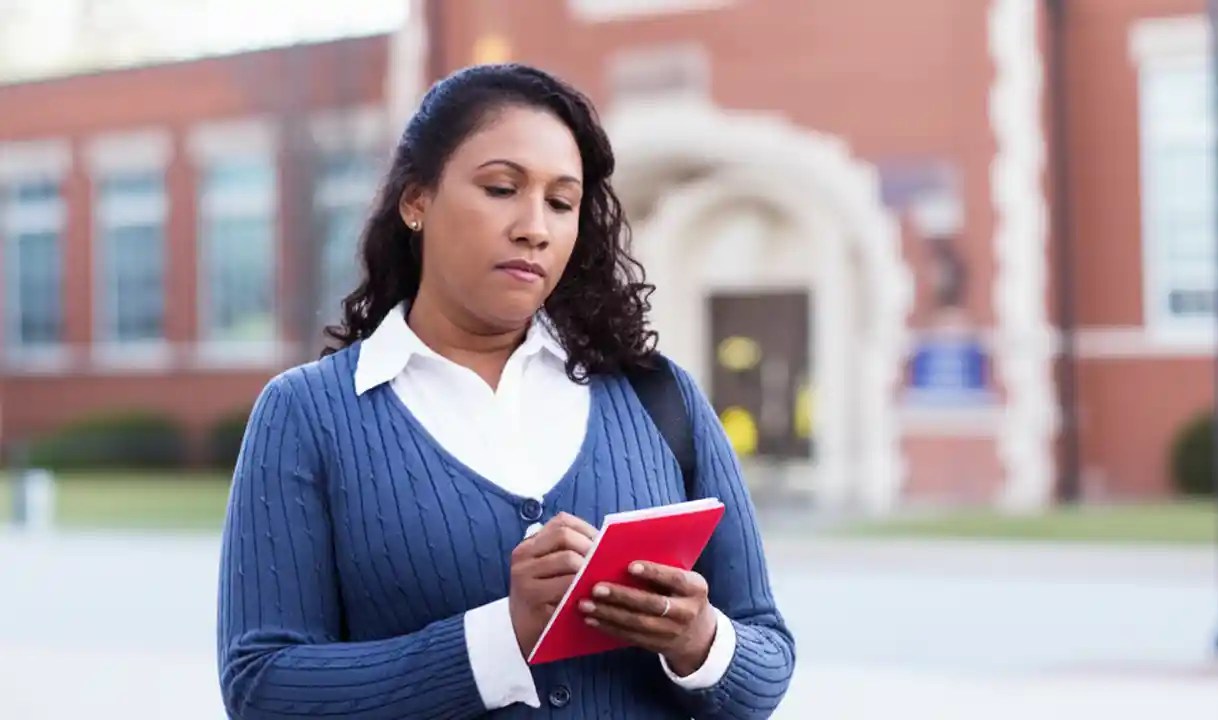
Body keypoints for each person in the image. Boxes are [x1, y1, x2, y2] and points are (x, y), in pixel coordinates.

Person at [216, 63, 795, 719]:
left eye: (561, 203)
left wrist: (698, 641)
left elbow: (766, 663)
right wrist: (502, 639)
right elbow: (262, 688)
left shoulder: (659, 399)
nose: (534, 228)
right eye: (501, 188)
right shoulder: (307, 415)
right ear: (417, 201)